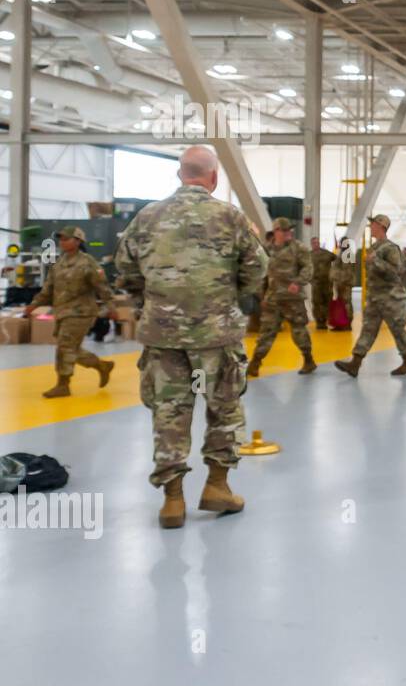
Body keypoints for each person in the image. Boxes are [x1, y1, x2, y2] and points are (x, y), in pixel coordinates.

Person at [114, 145, 267, 528]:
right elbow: (256, 268)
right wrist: (229, 296)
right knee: (225, 408)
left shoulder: (146, 217)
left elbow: (125, 269)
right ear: (213, 178)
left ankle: (172, 501)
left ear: (180, 175)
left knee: (169, 413)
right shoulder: (230, 217)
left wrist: (149, 304)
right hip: (217, 335)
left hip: (163, 337)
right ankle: (217, 486)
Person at [24, 226, 115, 397]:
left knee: (65, 347)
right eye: (61, 239)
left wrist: (111, 307)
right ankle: (102, 366)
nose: (62, 242)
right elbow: (47, 290)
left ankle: (63, 385)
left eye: (67, 238)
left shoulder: (88, 262)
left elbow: (102, 286)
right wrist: (33, 305)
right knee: (70, 349)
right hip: (62, 312)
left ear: (78, 241)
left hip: (81, 312)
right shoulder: (59, 264)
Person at [334, 215, 406, 377]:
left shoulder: (390, 248)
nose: (370, 227)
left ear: (381, 226)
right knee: (368, 329)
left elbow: (396, 272)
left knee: (398, 330)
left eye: (373, 224)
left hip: (390, 298)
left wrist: (375, 260)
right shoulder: (375, 247)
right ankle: (355, 363)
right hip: (376, 298)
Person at [248, 218, 315, 376]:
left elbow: (308, 267)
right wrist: (262, 296)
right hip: (273, 299)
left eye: (289, 230)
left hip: (293, 299)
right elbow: (262, 274)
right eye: (284, 231)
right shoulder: (267, 250)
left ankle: (308, 360)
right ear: (276, 231)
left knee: (299, 331)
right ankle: (255, 363)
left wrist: (298, 282)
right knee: (266, 333)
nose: (288, 233)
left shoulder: (299, 248)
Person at [309, 235, 335, 328]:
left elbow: (337, 259)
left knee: (328, 301)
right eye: (314, 243)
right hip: (316, 282)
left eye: (317, 243)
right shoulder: (309, 255)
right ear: (311, 244)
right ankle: (320, 322)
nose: (316, 244)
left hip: (327, 282)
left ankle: (328, 319)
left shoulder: (327, 254)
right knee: (317, 302)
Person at [330, 237, 356, 328]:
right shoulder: (341, 254)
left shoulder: (348, 255)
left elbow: (347, 271)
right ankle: (341, 322)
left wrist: (340, 281)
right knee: (341, 303)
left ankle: (348, 323)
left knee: (346, 302)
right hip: (339, 283)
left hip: (345, 284)